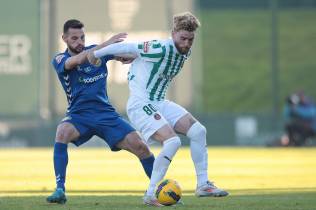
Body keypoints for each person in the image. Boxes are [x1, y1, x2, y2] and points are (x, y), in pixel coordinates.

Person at [89, 12, 228, 206]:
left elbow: (137, 57)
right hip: (140, 103)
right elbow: (126, 47)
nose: (187, 43)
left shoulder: (185, 50)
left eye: (190, 39)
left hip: (159, 102)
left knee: (198, 131)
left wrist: (133, 58)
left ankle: (203, 185)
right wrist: (94, 54)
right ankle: (150, 194)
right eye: (183, 38)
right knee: (172, 142)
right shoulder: (161, 47)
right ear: (173, 33)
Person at [46, 19, 155, 204]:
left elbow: (123, 54)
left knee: (141, 146)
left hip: (106, 114)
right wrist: (108, 43)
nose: (79, 41)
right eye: (74, 38)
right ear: (64, 38)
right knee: (62, 131)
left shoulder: (99, 51)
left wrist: (134, 56)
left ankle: (159, 189)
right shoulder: (59, 59)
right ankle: (59, 190)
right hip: (79, 115)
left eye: (82, 37)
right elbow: (80, 60)